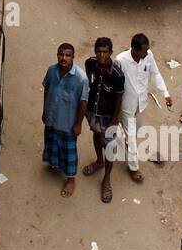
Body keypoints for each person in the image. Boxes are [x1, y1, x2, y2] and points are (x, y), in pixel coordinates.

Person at [114, 33, 172, 180]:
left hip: (141, 103)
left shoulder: (148, 56)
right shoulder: (121, 60)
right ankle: (133, 168)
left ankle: (121, 136)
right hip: (126, 106)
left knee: (136, 130)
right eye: (143, 51)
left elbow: (156, 73)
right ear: (134, 49)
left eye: (147, 50)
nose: (146, 53)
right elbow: (115, 85)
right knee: (132, 137)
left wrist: (165, 94)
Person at [80, 37, 126, 203]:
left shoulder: (117, 75)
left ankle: (106, 178)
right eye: (99, 51)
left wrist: (115, 119)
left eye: (105, 52)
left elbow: (119, 98)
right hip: (93, 111)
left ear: (111, 53)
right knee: (96, 134)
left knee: (109, 146)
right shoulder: (90, 63)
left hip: (108, 116)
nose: (101, 55)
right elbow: (88, 83)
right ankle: (98, 161)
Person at [41, 43, 88, 199]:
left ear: (73, 57)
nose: (64, 58)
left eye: (67, 55)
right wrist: (44, 111)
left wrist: (78, 124)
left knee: (69, 152)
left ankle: (70, 180)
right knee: (52, 143)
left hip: (68, 123)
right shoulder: (51, 70)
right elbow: (47, 90)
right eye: (61, 54)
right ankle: (54, 164)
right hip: (52, 117)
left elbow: (83, 103)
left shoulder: (81, 78)